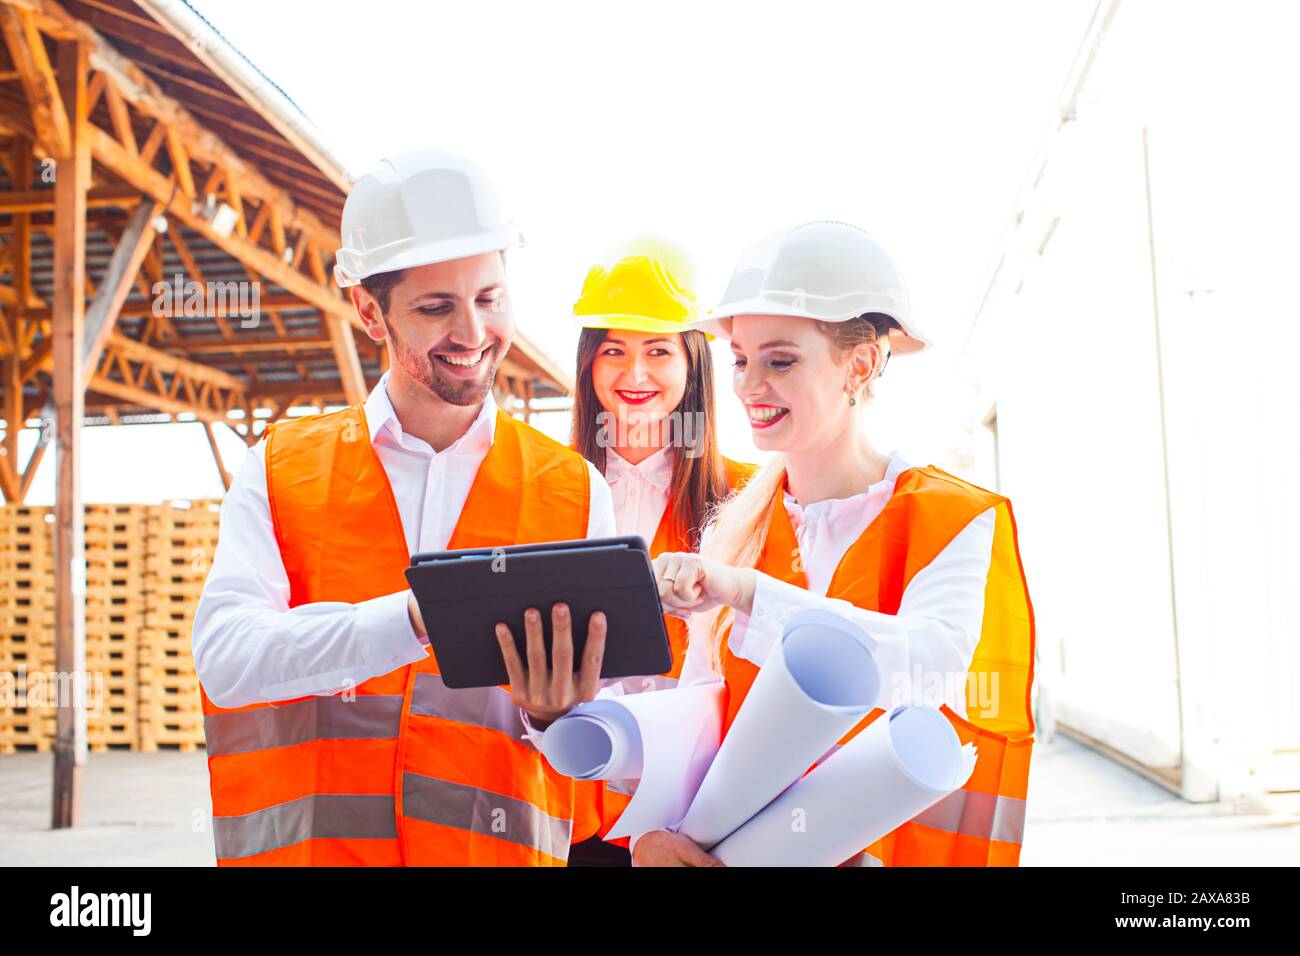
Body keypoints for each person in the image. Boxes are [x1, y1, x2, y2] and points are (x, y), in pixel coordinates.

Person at [191, 150, 618, 867]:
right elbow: (226, 660)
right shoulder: (282, 466)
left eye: (489, 298)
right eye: (435, 307)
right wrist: (417, 618)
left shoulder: (573, 489)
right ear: (368, 310)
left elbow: (604, 737)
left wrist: (554, 717)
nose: (474, 333)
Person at [637, 221, 1036, 867]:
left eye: (781, 360)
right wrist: (654, 834)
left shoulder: (955, 518)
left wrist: (747, 593)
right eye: (740, 359)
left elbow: (929, 669)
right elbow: (704, 706)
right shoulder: (735, 529)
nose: (747, 385)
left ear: (862, 364)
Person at [564, 235, 755, 865]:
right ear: (589, 364)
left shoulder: (751, 496)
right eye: (613, 349)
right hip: (576, 804)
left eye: (657, 350)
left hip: (700, 814)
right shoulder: (546, 491)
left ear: (692, 362)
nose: (635, 373)